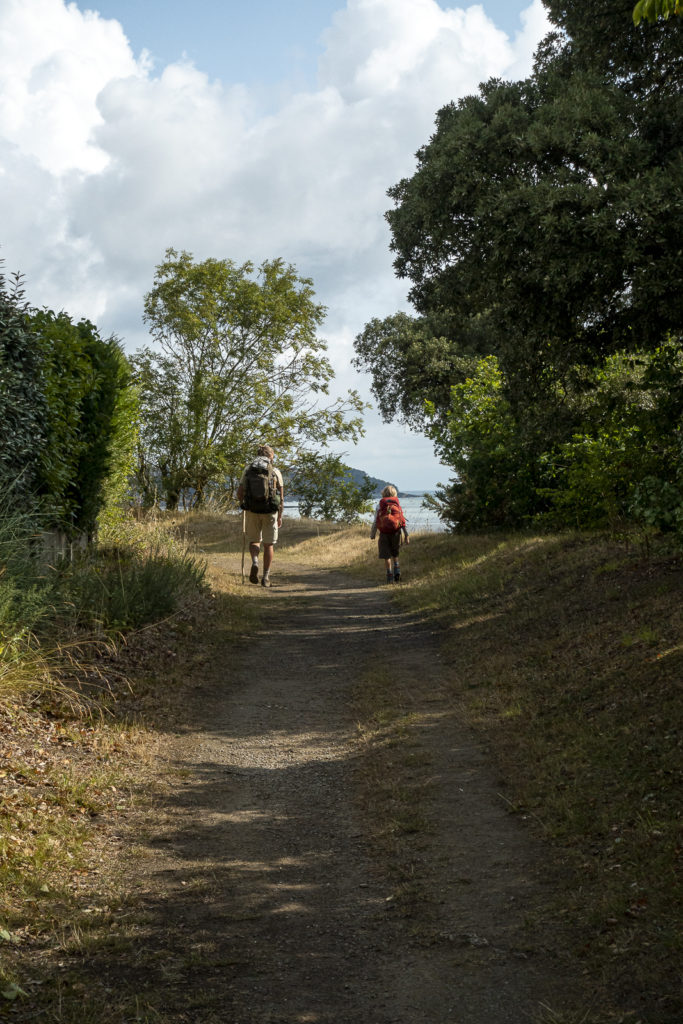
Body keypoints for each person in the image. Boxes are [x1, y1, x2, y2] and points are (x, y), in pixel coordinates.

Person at [236, 444, 284, 588]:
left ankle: (255, 561)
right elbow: (281, 498)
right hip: (270, 511)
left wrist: (244, 504)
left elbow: (239, 493)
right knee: (268, 544)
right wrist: (280, 515)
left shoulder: (248, 470)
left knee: (254, 540)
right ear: (271, 456)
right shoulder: (275, 471)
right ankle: (266, 577)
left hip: (252, 511)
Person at [370, 485, 409, 583]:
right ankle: (397, 571)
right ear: (395, 494)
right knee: (395, 554)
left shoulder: (380, 505)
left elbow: (375, 520)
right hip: (396, 532)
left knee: (386, 556)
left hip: (384, 533)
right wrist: (406, 534)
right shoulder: (397, 504)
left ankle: (389, 575)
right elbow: (401, 520)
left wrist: (373, 533)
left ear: (383, 493)